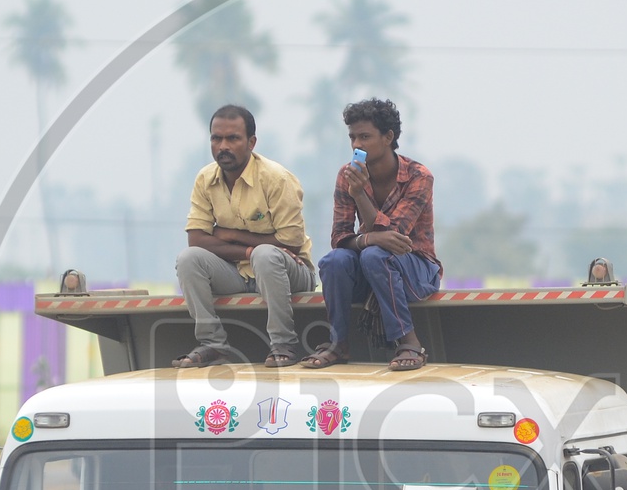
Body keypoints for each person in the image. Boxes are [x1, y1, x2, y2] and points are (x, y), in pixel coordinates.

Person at [304, 98, 442, 372]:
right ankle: (338, 342)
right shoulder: (347, 175)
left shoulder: (418, 176)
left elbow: (395, 236)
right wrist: (369, 238)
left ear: (388, 137)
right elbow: (340, 237)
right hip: (372, 265)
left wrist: (361, 199)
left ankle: (408, 341)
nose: (357, 145)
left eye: (365, 137)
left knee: (376, 255)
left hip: (416, 268)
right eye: (352, 137)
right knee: (334, 262)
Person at [173, 105, 314, 368]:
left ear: (251, 142)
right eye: (216, 138)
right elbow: (197, 240)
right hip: (238, 273)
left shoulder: (276, 178)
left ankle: (284, 343)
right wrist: (247, 251)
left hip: (292, 272)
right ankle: (212, 344)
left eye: (233, 138)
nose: (223, 146)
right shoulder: (205, 179)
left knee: (266, 256)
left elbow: (290, 242)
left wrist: (231, 235)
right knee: (189, 259)